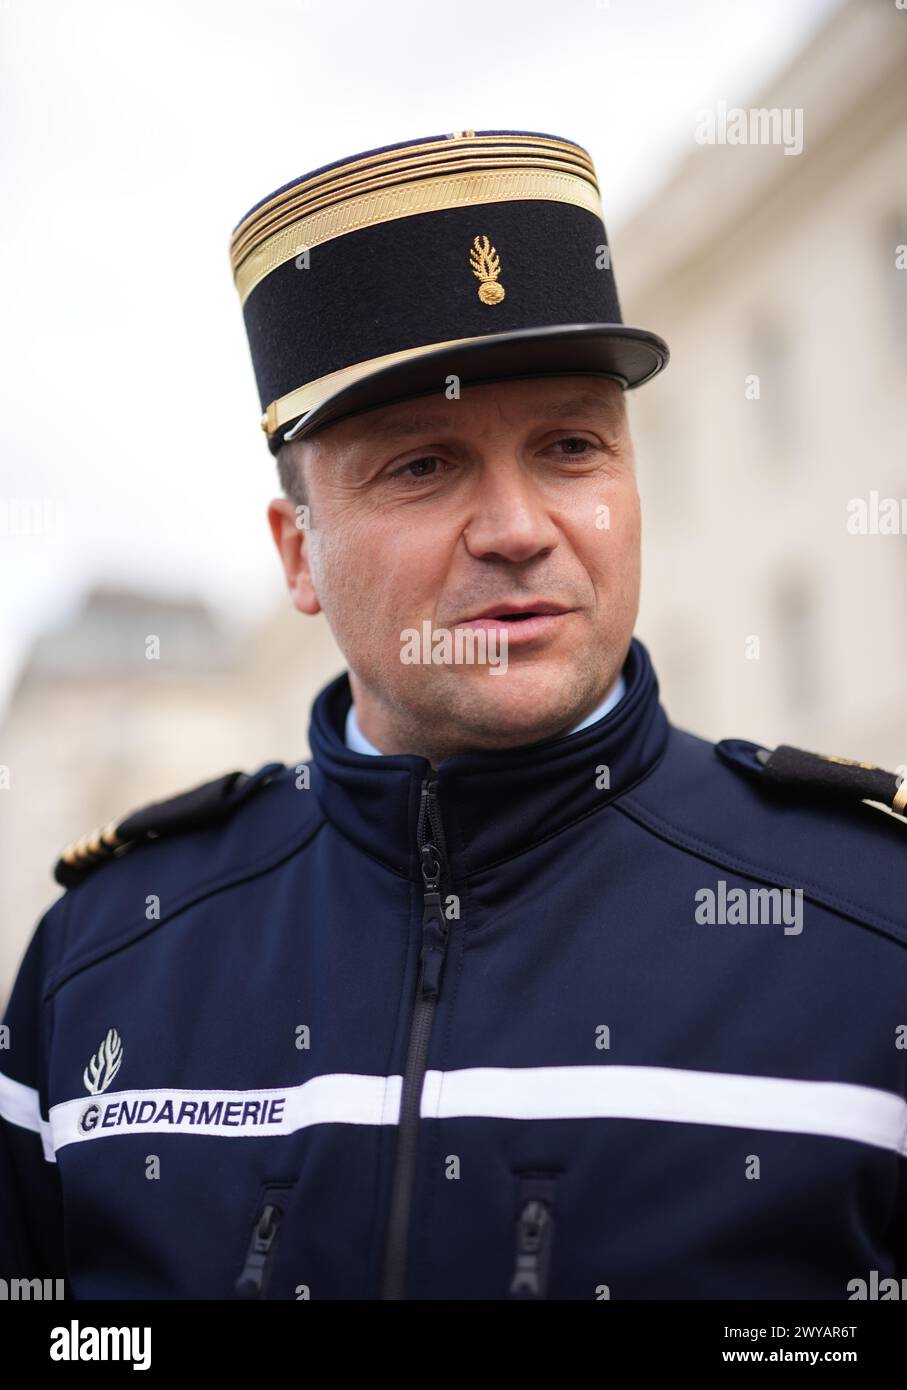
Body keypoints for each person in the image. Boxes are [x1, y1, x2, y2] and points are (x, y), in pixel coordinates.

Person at [1, 129, 905, 1301]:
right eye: (423, 465)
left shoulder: (869, 929)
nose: (518, 527)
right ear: (299, 554)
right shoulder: (106, 963)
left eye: (571, 445)